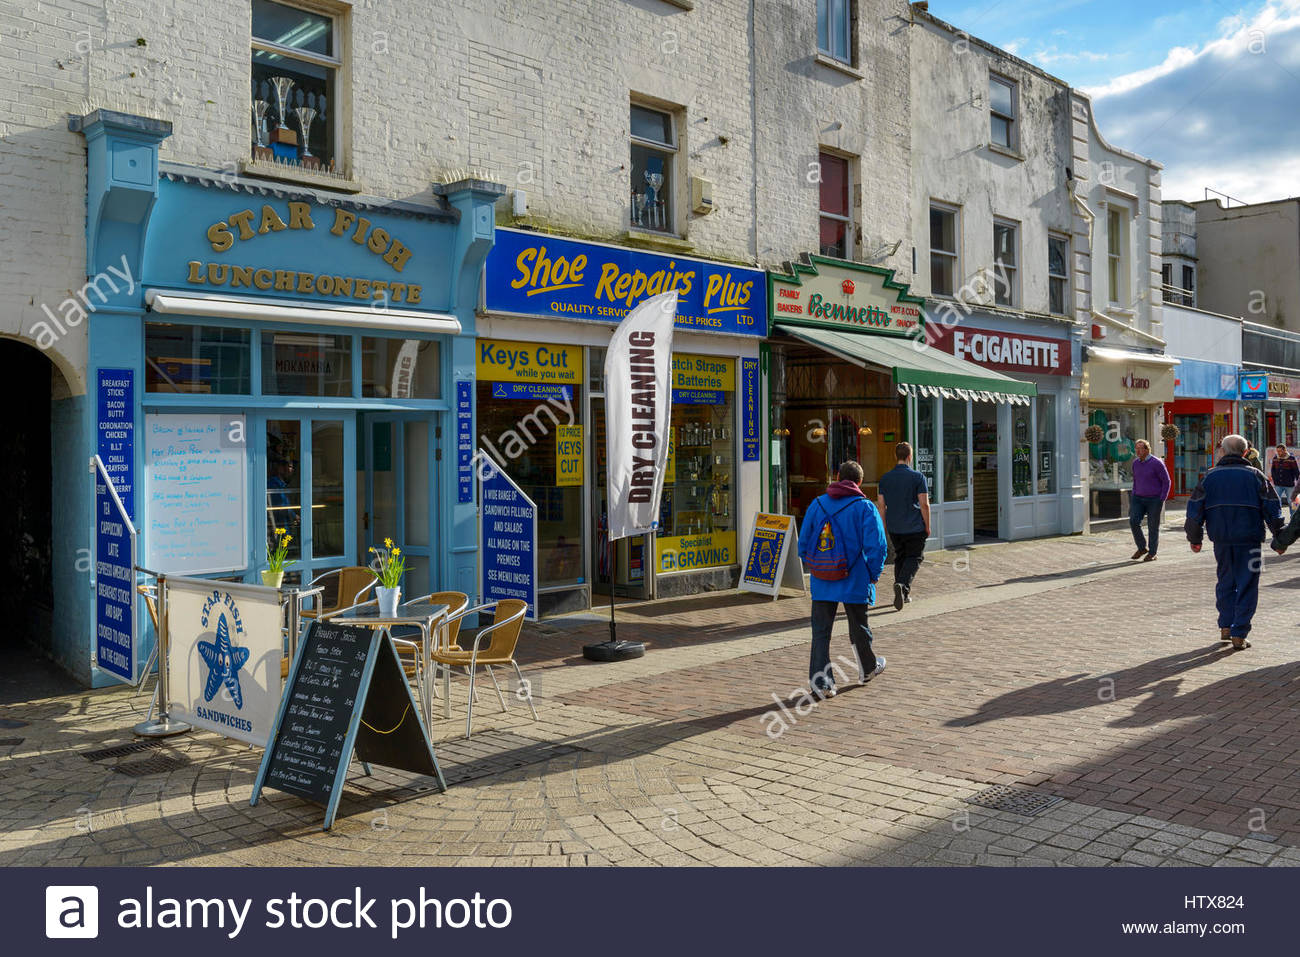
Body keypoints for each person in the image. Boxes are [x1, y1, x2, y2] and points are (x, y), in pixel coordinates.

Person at [1185, 434, 1284, 650]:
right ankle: (1239, 631)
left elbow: (1194, 511)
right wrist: (1280, 537)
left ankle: (1226, 626)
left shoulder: (1210, 477)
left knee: (1225, 580)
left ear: (1222, 451)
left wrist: (1195, 538)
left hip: (1221, 539)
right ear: (1245, 452)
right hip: (1250, 540)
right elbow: (1273, 508)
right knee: (1248, 583)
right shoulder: (1256, 476)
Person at [797, 461, 888, 697]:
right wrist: (873, 574)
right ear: (858, 482)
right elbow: (877, 546)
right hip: (854, 577)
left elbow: (803, 544)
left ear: (837, 477)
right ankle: (867, 668)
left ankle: (822, 683)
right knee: (859, 626)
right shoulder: (865, 507)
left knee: (820, 632)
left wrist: (819, 563)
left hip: (822, 578)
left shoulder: (817, 504)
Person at [877, 441, 931, 610]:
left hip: (894, 527)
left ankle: (902, 593)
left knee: (900, 556)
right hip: (914, 526)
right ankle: (902, 585)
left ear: (896, 456)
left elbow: (881, 506)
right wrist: (927, 526)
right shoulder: (917, 477)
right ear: (909, 457)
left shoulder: (885, 478)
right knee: (915, 557)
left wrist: (883, 527)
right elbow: (924, 505)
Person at [1129, 439, 1170, 561]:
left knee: (1153, 526)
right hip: (1138, 498)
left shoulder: (1157, 463)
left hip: (1154, 499)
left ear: (1147, 450)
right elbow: (1136, 480)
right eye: (1136, 448)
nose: (1138, 451)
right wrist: (1134, 493)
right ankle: (1142, 547)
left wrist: (1162, 498)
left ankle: (1152, 553)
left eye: (1141, 448)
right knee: (1133, 521)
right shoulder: (1135, 463)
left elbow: (1166, 481)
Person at [1271, 444, 1298, 519]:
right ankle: (1277, 517)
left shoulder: (1291, 459)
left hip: (1289, 484)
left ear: (1285, 450)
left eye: (1280, 451)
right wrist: (1274, 479)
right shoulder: (1275, 458)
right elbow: (1272, 470)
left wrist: (1297, 483)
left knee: (1292, 502)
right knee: (1276, 501)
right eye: (1277, 451)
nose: (1278, 453)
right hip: (1278, 484)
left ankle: (1294, 518)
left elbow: (1296, 471)